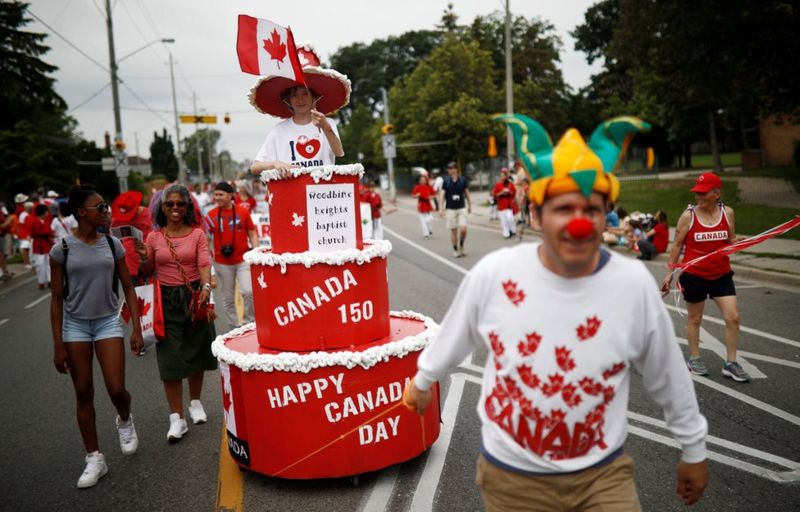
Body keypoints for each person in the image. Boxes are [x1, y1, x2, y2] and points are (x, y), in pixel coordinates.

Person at [406, 114, 708, 511]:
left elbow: (667, 372)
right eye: (564, 208)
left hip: (603, 476)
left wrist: (694, 449)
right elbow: (455, 334)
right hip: (512, 479)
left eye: (593, 210)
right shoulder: (496, 275)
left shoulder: (632, 284)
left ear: (607, 217)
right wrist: (423, 380)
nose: (580, 224)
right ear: (536, 215)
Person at [49, 184, 143, 489]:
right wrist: (58, 344)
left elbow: (128, 286)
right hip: (75, 325)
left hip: (107, 321)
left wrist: (137, 328)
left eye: (106, 206)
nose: (106, 211)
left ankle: (124, 419)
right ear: (81, 212)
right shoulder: (61, 249)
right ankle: (95, 458)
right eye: (99, 207)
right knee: (83, 391)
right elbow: (56, 299)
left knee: (116, 389)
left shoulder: (112, 244)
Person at [136, 184, 216, 441]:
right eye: (169, 204)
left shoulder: (197, 235)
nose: (174, 208)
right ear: (162, 207)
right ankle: (176, 418)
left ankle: (195, 403)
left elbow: (204, 263)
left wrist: (205, 288)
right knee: (169, 358)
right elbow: (147, 269)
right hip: (166, 300)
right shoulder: (154, 237)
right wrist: (141, 257)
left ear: (187, 207)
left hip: (194, 297)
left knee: (196, 351)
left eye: (179, 204)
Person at [661, 172, 750, 382]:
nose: (698, 196)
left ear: (716, 193)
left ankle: (731, 363)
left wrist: (739, 242)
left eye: (703, 193)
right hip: (694, 275)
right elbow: (676, 246)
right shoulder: (688, 216)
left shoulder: (728, 213)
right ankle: (695, 358)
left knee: (733, 317)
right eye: (697, 193)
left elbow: (729, 242)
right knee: (695, 319)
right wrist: (670, 273)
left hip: (721, 274)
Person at [248, 46, 349, 175]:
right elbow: (255, 167)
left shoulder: (327, 123)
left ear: (314, 97)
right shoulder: (279, 130)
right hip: (291, 191)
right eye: (294, 95)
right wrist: (275, 163)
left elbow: (339, 152)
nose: (300, 100)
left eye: (305, 94)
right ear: (288, 100)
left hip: (322, 192)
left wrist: (324, 126)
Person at [205, 182, 259, 329]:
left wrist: (256, 253)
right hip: (222, 263)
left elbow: (252, 233)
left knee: (248, 292)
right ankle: (234, 328)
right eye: (215, 194)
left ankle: (250, 324)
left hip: (243, 260)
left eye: (221, 194)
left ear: (230, 195)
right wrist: (208, 267)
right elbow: (206, 240)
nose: (217, 197)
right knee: (228, 298)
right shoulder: (210, 215)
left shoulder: (243, 212)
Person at [111, 191, 153, 285]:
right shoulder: (117, 218)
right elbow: (112, 237)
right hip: (128, 265)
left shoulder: (148, 215)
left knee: (150, 294)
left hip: (147, 260)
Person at [439, 162, 471, 257]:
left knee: (463, 229)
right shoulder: (446, 181)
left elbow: (467, 193)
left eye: (451, 168)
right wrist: (440, 208)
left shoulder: (462, 180)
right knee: (453, 230)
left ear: (456, 169)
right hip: (450, 209)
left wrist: (470, 205)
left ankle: (461, 245)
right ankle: (455, 249)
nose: (450, 170)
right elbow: (442, 195)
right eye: (448, 168)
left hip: (461, 207)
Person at [31, 203, 54, 289]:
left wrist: (51, 235)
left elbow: (50, 231)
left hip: (46, 244)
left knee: (48, 263)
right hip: (38, 244)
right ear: (43, 213)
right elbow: (33, 233)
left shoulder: (46, 221)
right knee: (40, 264)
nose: (47, 214)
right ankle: (41, 281)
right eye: (46, 212)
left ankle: (50, 280)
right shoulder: (34, 221)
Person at [492, 167, 517, 239]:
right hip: (501, 204)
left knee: (510, 218)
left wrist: (509, 192)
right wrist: (501, 193)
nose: (502, 177)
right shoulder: (498, 184)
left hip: (508, 204)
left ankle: (511, 230)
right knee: (503, 221)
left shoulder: (510, 184)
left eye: (503, 175)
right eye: (501, 175)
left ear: (506, 176)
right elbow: (495, 194)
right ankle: (506, 233)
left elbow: (514, 192)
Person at [18, 199, 34, 269]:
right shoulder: (26, 215)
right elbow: (28, 227)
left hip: (23, 234)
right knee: (26, 249)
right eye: (31, 208)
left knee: (26, 249)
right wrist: (29, 235)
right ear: (29, 208)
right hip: (26, 235)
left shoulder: (22, 214)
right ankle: (26, 263)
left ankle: (27, 263)